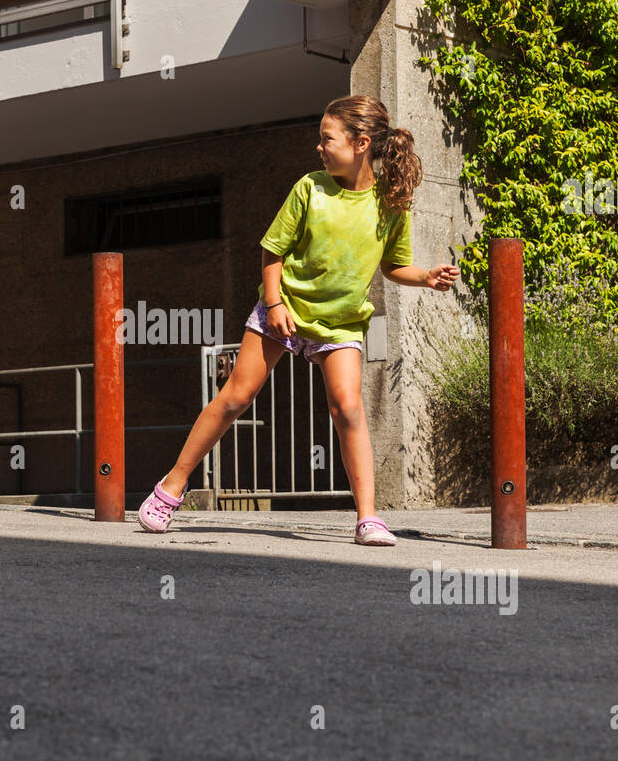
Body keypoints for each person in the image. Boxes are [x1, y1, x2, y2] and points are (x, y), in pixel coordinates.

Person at [137, 95, 460, 544]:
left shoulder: (391, 204)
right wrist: (274, 305)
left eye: (328, 139)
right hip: (284, 307)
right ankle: (171, 485)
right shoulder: (310, 187)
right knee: (236, 396)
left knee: (348, 407)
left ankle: (368, 518)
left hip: (340, 323)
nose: (319, 147)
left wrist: (426, 276)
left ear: (361, 143)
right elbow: (273, 250)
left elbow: (393, 266)